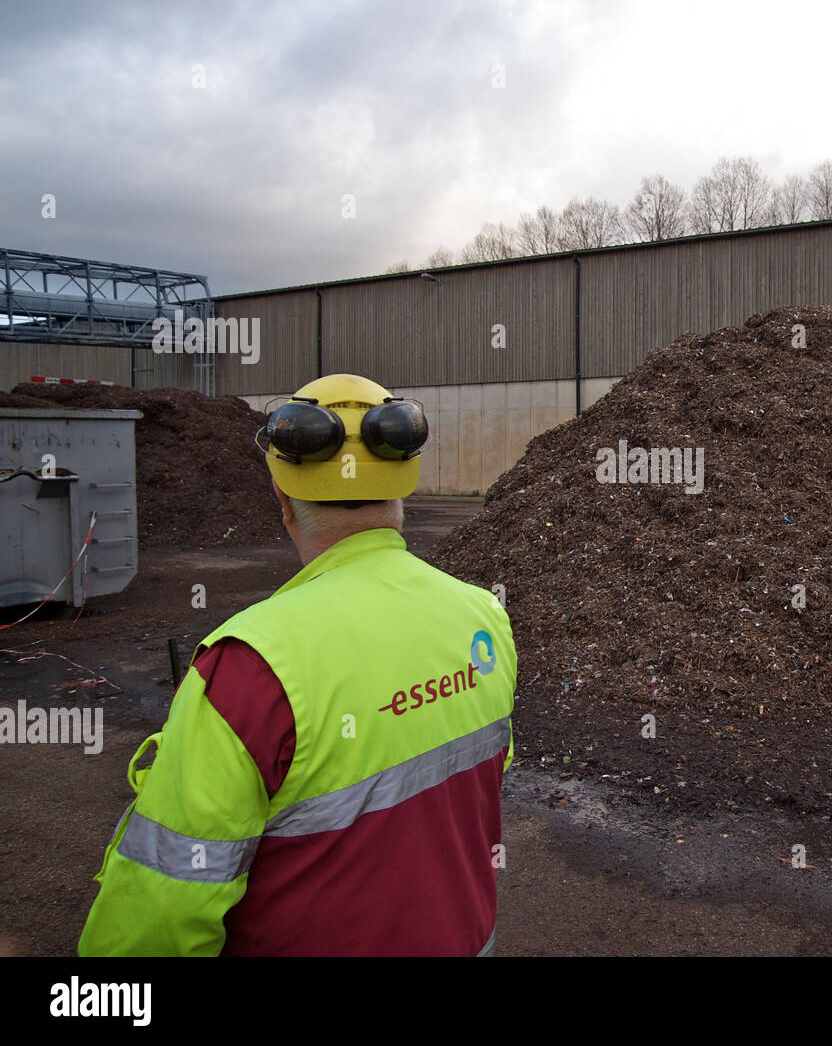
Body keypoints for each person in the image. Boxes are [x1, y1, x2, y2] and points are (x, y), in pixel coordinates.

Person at [79, 373, 516, 956]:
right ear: (404, 486)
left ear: (283, 499)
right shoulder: (483, 615)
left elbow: (159, 916)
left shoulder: (250, 669)